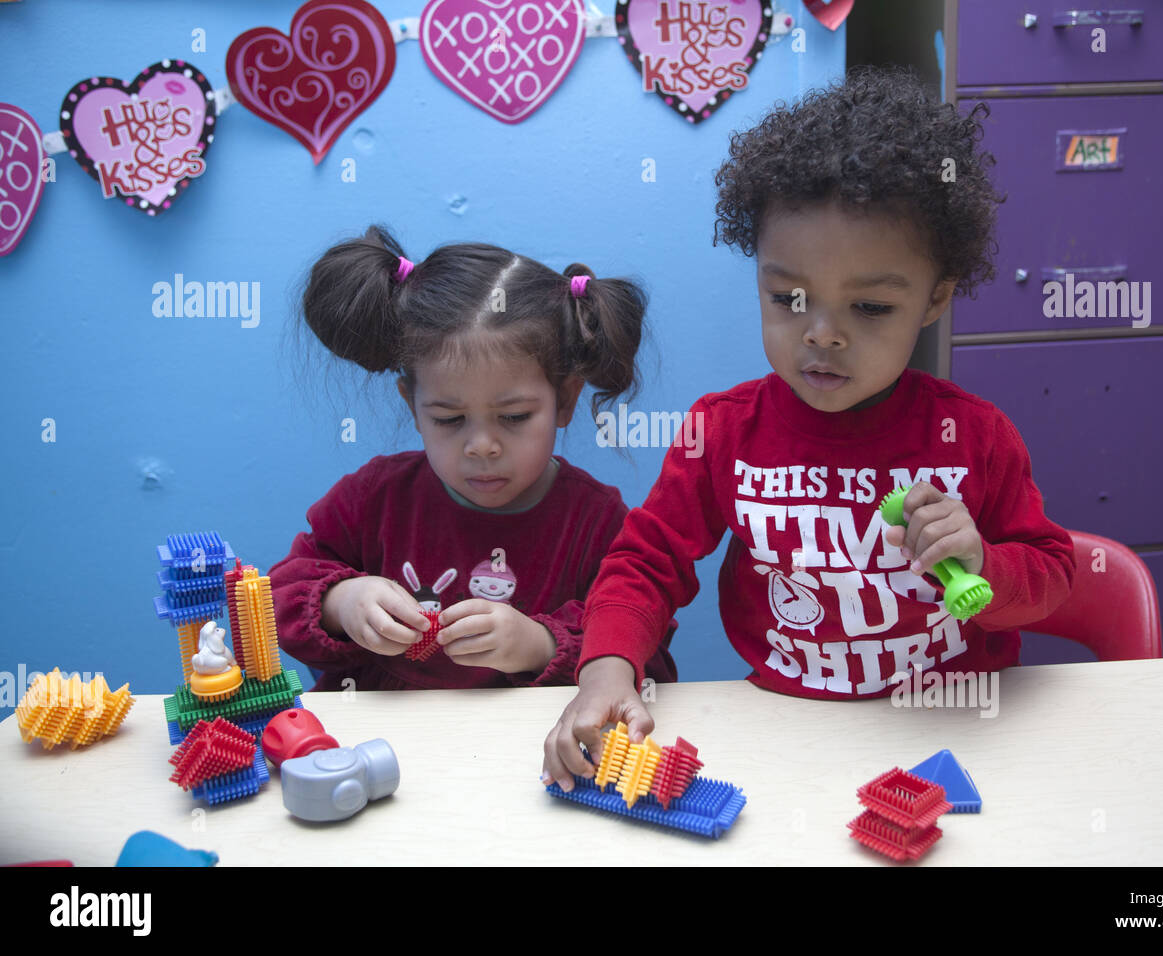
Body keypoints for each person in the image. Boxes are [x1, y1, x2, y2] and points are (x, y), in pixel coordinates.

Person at [542, 66, 1075, 788]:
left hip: (950, 732)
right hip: (789, 731)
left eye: (871, 308)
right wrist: (607, 670)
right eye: (789, 297)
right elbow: (646, 563)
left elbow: (1052, 576)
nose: (822, 335)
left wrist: (984, 560)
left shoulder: (974, 437)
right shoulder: (722, 433)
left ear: (934, 299)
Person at [270, 226, 676, 691]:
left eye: (515, 416)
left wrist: (542, 643)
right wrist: (343, 601)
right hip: (380, 742)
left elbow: (650, 656)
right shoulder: (375, 497)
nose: (481, 446)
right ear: (412, 406)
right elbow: (280, 593)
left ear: (564, 400)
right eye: (449, 419)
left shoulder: (596, 523)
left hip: (530, 753)